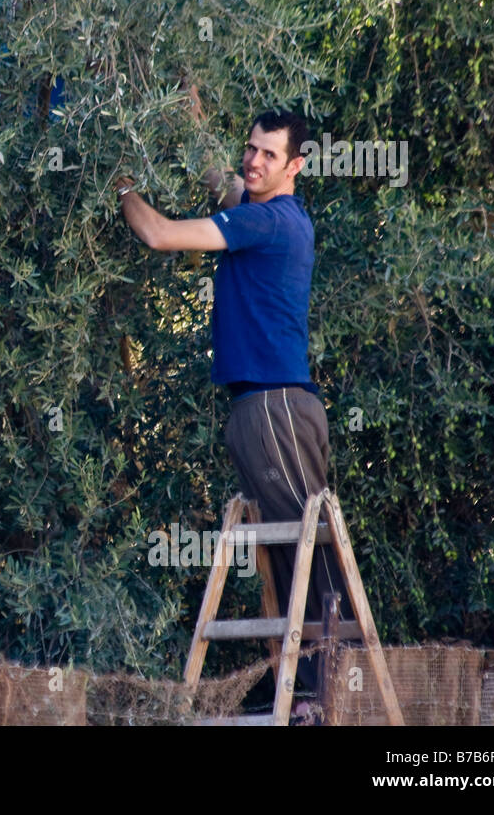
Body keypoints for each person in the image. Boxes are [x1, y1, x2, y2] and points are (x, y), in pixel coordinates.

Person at [116, 110, 348, 723]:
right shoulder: (267, 213)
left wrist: (116, 183)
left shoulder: (269, 220)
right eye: (249, 149)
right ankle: (304, 696)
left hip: (276, 405)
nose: (253, 161)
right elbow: (228, 186)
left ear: (296, 166)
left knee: (309, 555)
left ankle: (326, 703)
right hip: (260, 406)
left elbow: (161, 235)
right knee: (286, 557)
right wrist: (187, 109)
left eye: (269, 155)